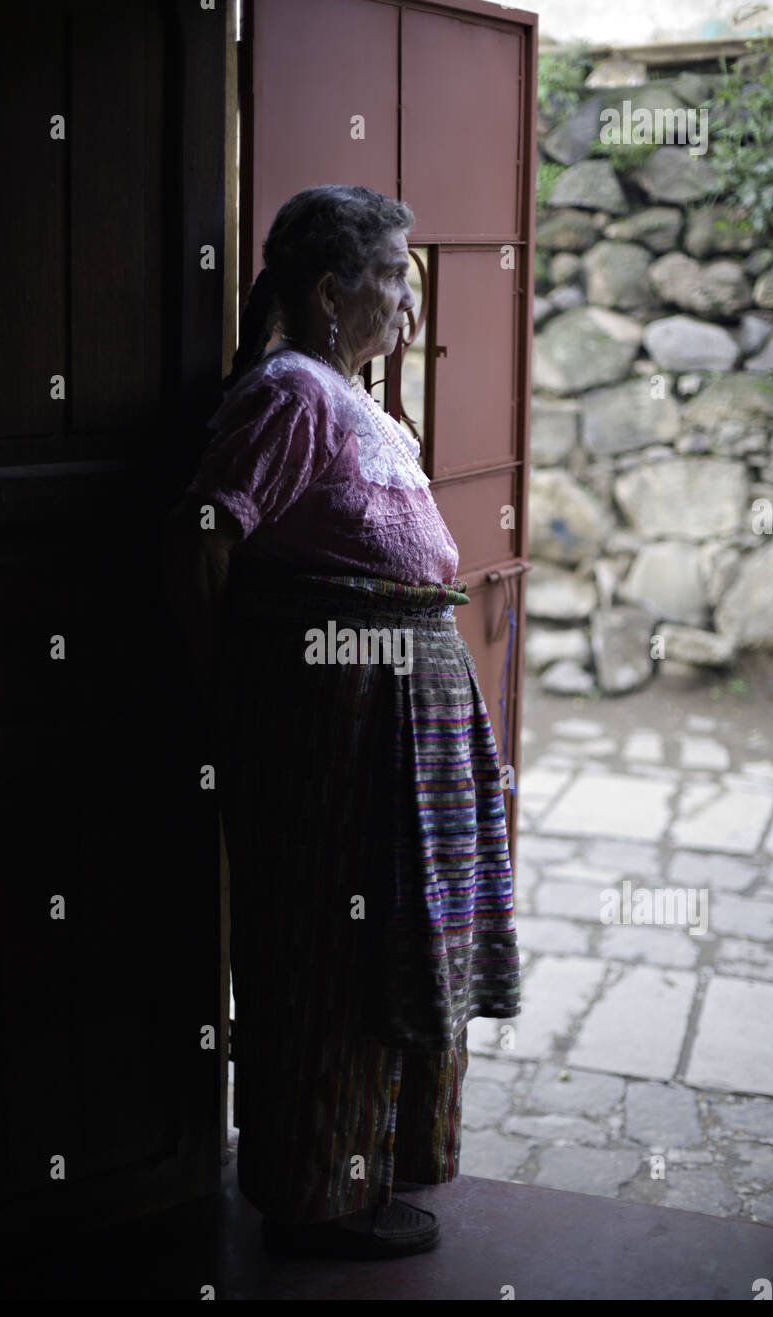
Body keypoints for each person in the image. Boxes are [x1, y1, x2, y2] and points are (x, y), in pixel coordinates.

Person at [163, 185, 520, 1260]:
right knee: (332, 948)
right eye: (394, 283)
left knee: (392, 947)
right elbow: (200, 538)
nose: (412, 309)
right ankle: (313, 1196)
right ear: (330, 291)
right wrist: (228, 690)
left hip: (395, 720)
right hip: (335, 730)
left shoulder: (352, 400)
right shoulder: (291, 395)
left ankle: (372, 1170)